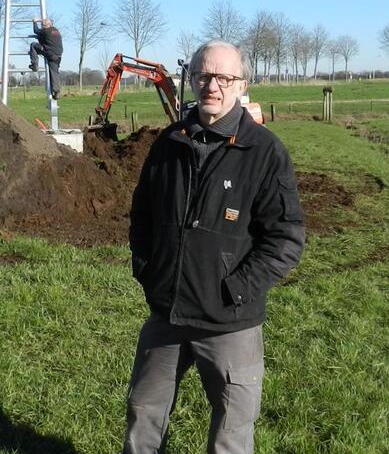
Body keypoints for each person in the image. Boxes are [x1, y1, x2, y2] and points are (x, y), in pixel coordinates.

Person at [124, 39, 306, 454]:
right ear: (191, 80)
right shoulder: (168, 143)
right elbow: (142, 215)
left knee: (231, 430)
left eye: (225, 77)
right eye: (204, 75)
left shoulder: (264, 152)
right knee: (143, 415)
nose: (212, 86)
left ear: (242, 85)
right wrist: (148, 267)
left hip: (230, 322)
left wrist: (234, 289)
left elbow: (286, 237)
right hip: (166, 312)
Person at [28, 17, 63, 99]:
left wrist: (34, 22)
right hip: (58, 55)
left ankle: (34, 65)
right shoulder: (55, 30)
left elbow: (36, 31)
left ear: (45, 26)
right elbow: (46, 38)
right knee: (54, 73)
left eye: (43, 25)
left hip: (50, 53)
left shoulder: (45, 31)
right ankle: (56, 91)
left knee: (33, 45)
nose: (42, 27)